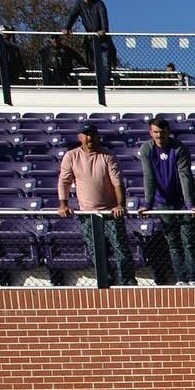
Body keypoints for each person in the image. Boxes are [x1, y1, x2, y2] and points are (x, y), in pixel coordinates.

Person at [57, 122, 134, 285]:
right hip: (88, 214)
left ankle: (127, 281)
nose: (89, 138)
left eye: (92, 134)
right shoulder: (71, 156)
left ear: (98, 136)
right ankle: (106, 281)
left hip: (111, 212)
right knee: (95, 250)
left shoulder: (107, 155)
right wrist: (63, 204)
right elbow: (64, 182)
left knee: (120, 247)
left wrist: (120, 204)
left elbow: (117, 182)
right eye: (85, 135)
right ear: (79, 137)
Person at [137, 117, 195, 285]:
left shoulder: (179, 148)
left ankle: (193, 278)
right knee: (173, 242)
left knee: (188, 240)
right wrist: (148, 204)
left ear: (168, 132)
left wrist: (190, 205)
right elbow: (148, 177)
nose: (159, 135)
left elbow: (184, 176)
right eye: (155, 132)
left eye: (162, 132)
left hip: (181, 200)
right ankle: (181, 279)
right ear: (151, 132)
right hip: (163, 201)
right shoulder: (146, 149)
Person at [62, 0, 111, 88]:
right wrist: (67, 28)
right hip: (90, 39)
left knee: (106, 62)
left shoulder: (99, 3)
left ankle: (105, 86)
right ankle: (95, 84)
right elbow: (72, 16)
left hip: (102, 38)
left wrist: (104, 30)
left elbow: (104, 18)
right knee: (91, 62)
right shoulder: (78, 4)